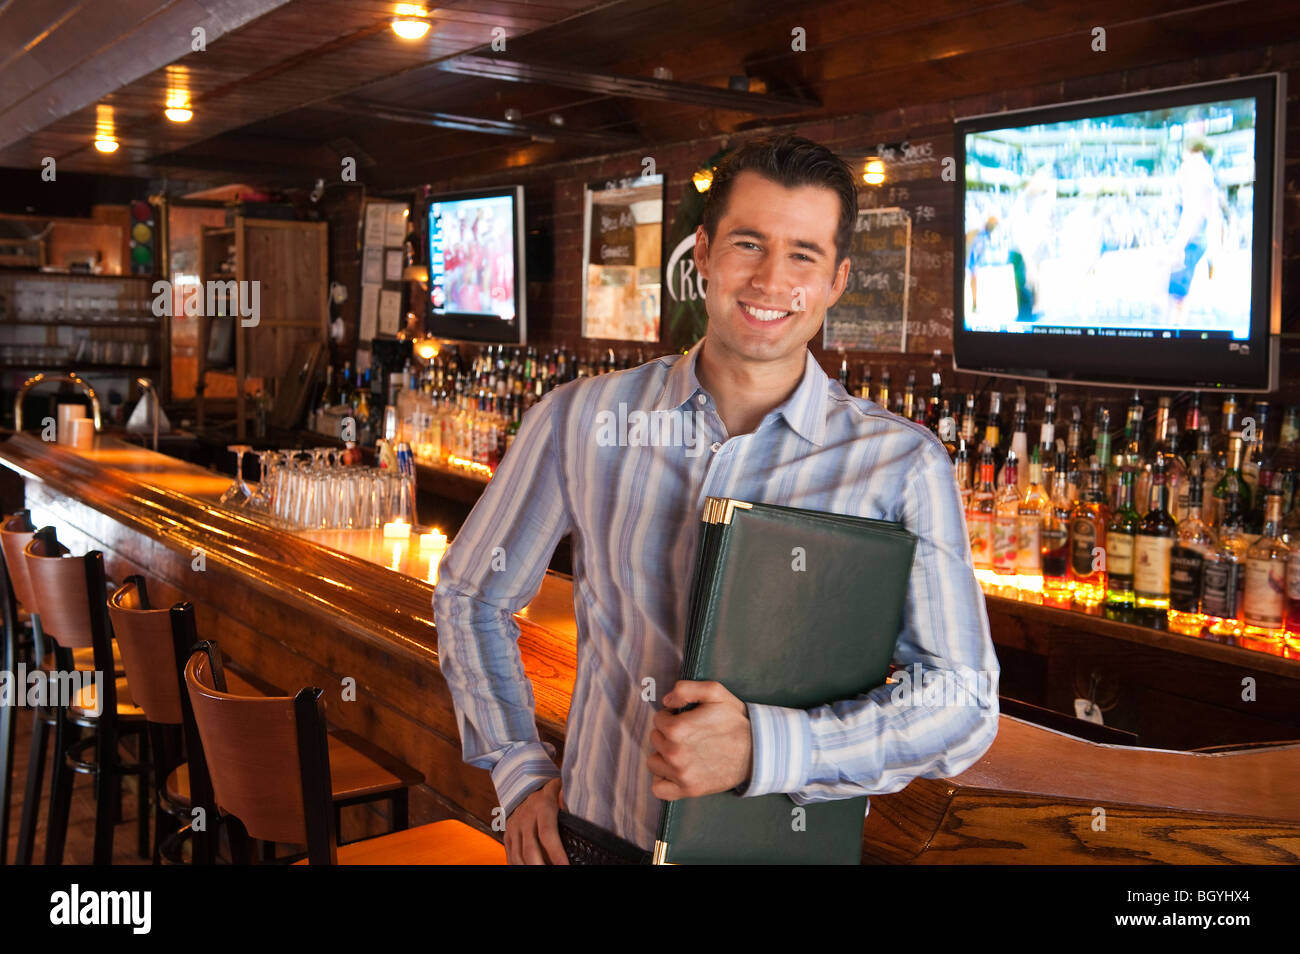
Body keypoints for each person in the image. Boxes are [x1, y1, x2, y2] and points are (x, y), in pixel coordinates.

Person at [433, 134, 1000, 865]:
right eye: (747, 243)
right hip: (595, 843)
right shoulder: (580, 419)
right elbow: (470, 595)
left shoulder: (900, 464)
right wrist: (517, 768)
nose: (771, 279)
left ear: (837, 280)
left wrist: (768, 748)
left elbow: (961, 702)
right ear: (701, 255)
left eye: (804, 255)